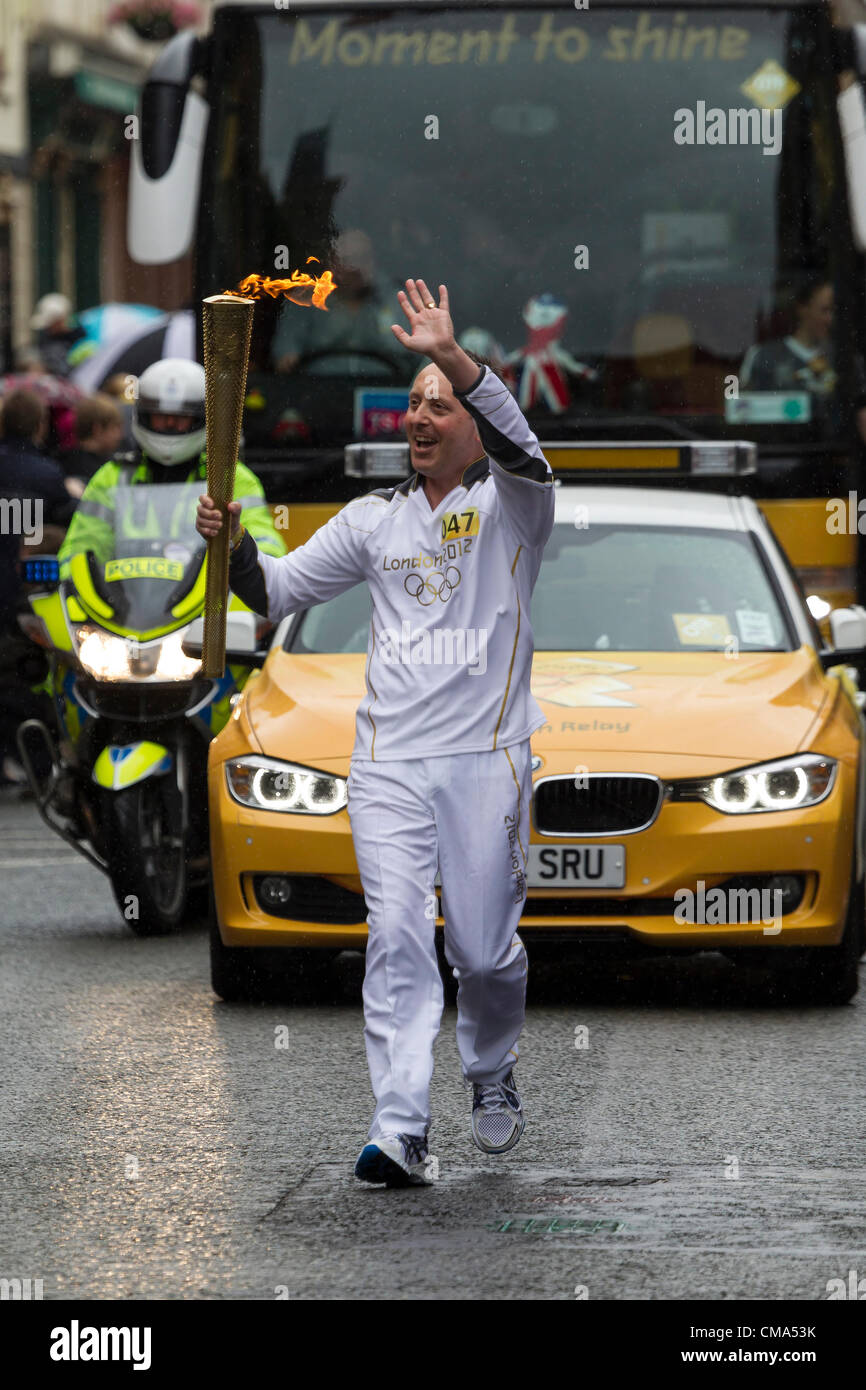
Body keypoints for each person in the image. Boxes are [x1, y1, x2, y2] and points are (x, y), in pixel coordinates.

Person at [197, 279, 555, 1187]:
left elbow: (520, 440)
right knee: (396, 935)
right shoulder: (371, 522)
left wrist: (454, 358)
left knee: (482, 950)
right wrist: (231, 545)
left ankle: (489, 1069)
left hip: (486, 760)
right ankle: (400, 1128)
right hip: (388, 761)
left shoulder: (517, 509)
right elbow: (273, 593)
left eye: (440, 404)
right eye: (414, 405)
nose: (422, 417)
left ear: (472, 420)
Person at [58, 358, 284, 579]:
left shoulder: (231, 476)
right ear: (143, 415)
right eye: (160, 416)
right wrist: (73, 582)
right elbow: (81, 546)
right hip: (124, 609)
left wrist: (255, 564)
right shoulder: (114, 475)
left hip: (205, 609)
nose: (169, 424)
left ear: (202, 418)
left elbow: (264, 542)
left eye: (181, 417)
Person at [0, 390, 77, 787]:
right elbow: (71, 531)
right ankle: (37, 763)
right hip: (24, 592)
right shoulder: (46, 475)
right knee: (27, 679)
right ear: (39, 426)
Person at [271, 229, 413, 376]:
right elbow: (284, 354)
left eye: (362, 258)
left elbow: (417, 355)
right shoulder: (305, 300)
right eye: (348, 259)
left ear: (373, 260)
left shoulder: (396, 298)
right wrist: (287, 357)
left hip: (384, 392)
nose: (356, 267)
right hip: (319, 391)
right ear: (332, 262)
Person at [60, 394, 126, 485]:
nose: (120, 435)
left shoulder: (62, 462)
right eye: (115, 427)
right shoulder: (105, 469)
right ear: (97, 429)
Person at [30, 294, 86, 379]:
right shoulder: (46, 339)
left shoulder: (82, 338)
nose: (48, 328)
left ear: (60, 320)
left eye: (51, 323)